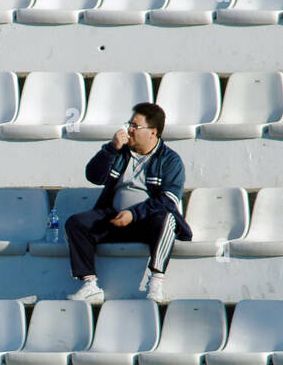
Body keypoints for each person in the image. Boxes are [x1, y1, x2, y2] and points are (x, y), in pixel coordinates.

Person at [65, 101, 190, 302]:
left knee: (167, 219)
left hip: (146, 223)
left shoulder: (170, 160)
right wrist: (111, 149)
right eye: (129, 124)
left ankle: (156, 282)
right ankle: (89, 284)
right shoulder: (120, 152)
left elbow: (168, 200)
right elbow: (94, 176)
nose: (128, 130)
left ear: (153, 132)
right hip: (115, 217)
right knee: (76, 223)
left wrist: (134, 214)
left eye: (135, 126)